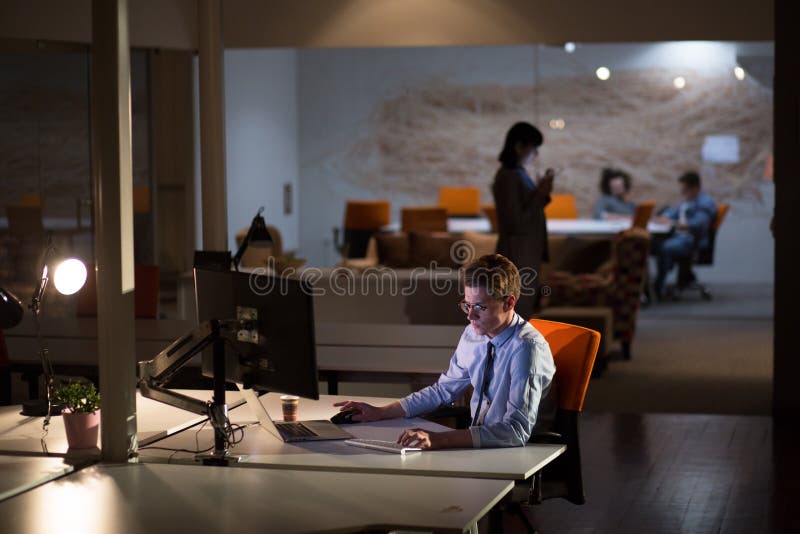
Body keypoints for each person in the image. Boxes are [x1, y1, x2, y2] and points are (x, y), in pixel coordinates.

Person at [333, 254, 556, 449]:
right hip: (482, 445)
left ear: (509, 303)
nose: (470, 316)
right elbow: (443, 391)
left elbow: (516, 431)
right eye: (467, 305)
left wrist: (440, 440)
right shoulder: (473, 334)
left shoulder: (526, 349)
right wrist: (381, 412)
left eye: (480, 307)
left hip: (517, 453)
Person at [491, 122, 553, 319]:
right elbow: (515, 221)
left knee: (523, 308)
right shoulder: (508, 176)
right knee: (518, 311)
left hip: (526, 250)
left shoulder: (518, 173)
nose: (534, 154)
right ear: (519, 147)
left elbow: (528, 209)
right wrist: (540, 193)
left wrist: (541, 193)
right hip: (517, 252)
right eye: (533, 148)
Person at [651, 171, 717, 299]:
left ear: (695, 188)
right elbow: (673, 213)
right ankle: (652, 285)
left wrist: (674, 223)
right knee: (653, 244)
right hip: (678, 237)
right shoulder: (687, 201)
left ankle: (658, 288)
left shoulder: (705, 203)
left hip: (691, 240)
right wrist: (663, 217)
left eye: (685, 189)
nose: (682, 192)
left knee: (664, 248)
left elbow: (697, 224)